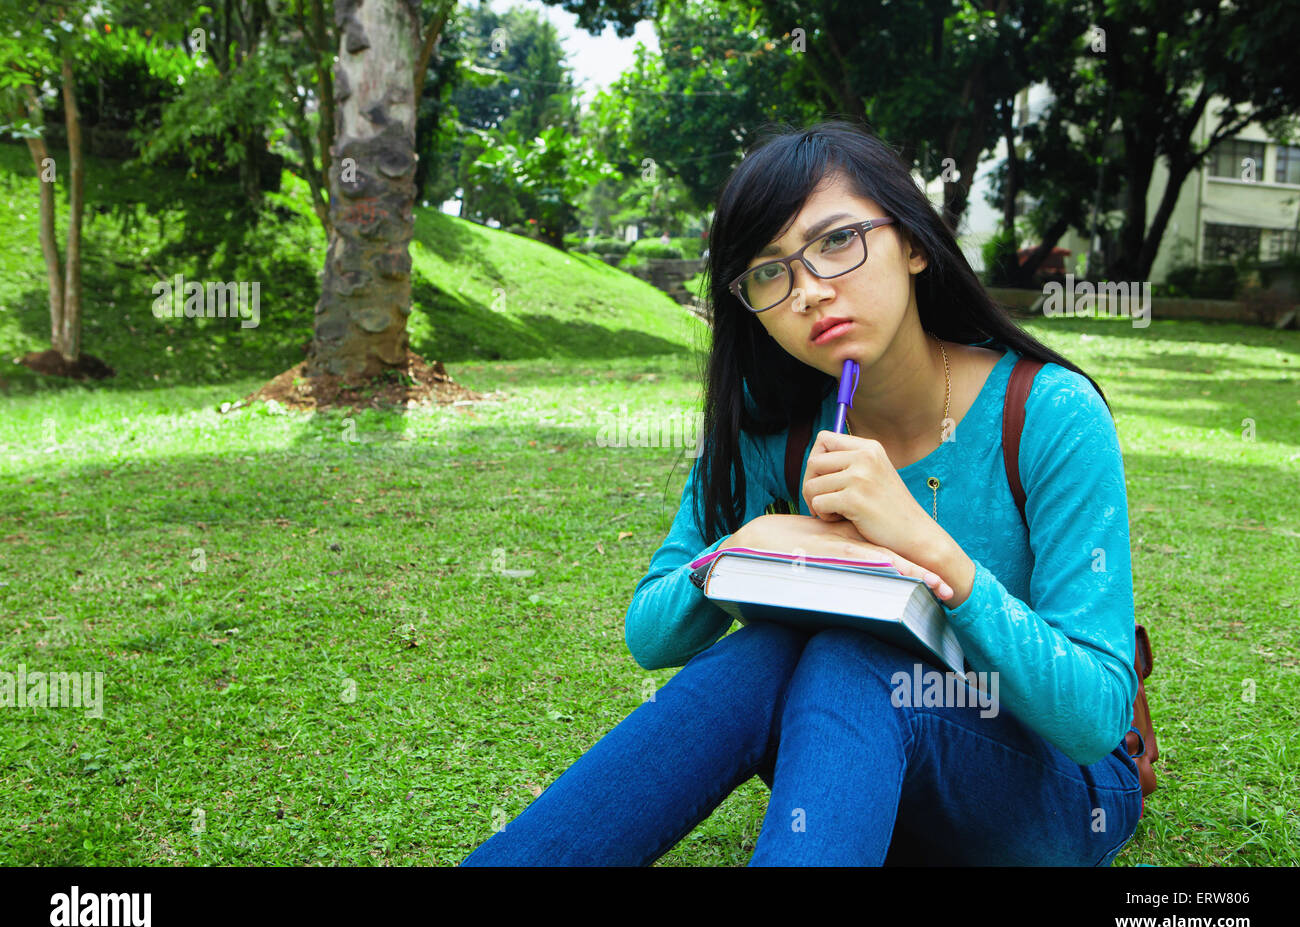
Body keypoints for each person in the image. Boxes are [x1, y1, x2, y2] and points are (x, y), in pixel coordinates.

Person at [459, 120, 1144, 867]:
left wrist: (930, 550)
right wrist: (737, 548)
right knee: (767, 654)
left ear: (913, 244)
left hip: (1055, 787)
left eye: (837, 242)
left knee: (854, 660)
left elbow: (1095, 716)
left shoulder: (1047, 413)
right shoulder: (774, 421)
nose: (810, 293)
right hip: (872, 755)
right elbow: (651, 635)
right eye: (768, 272)